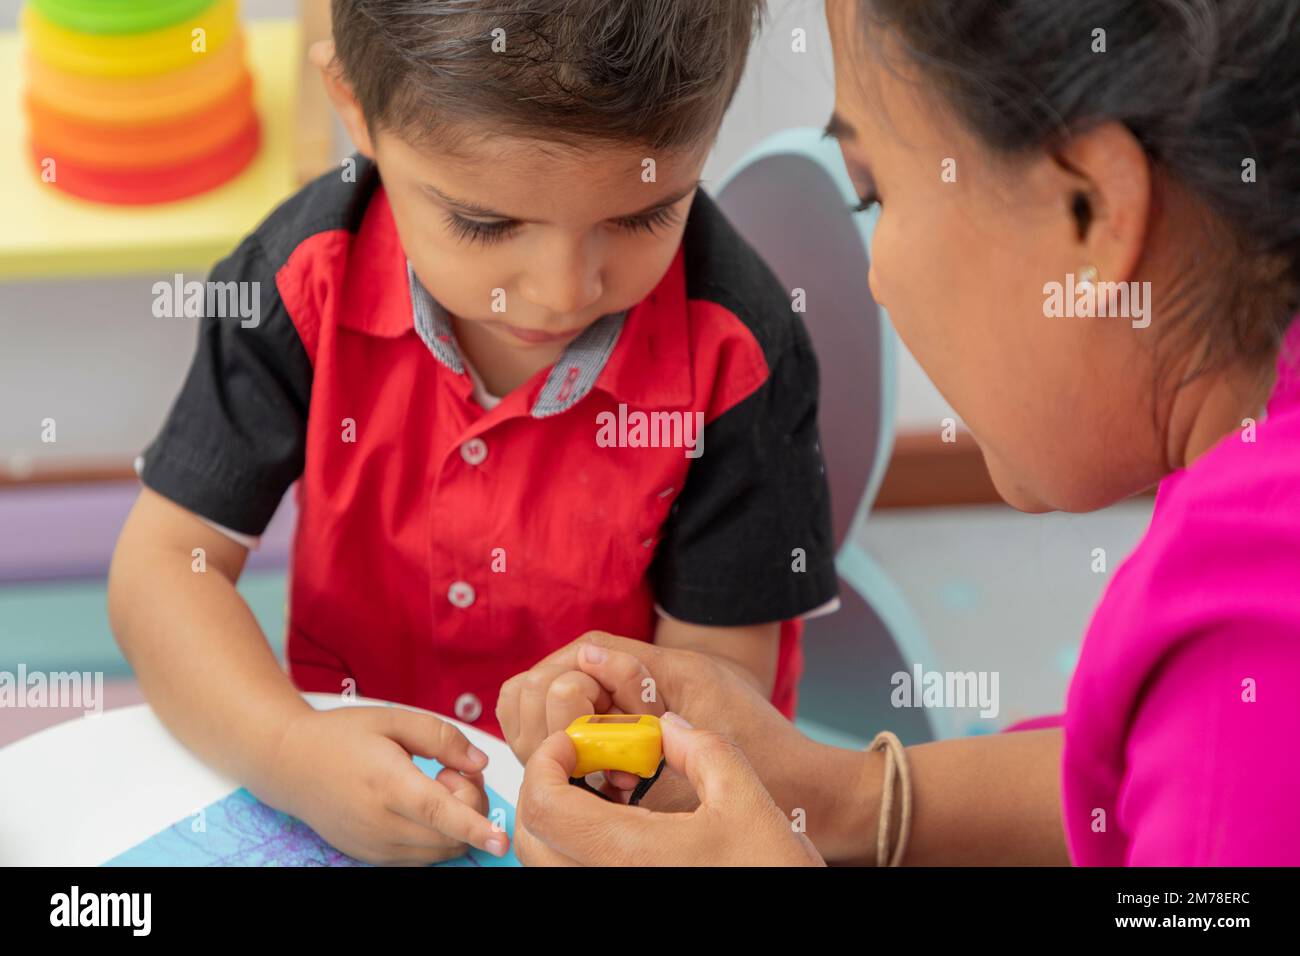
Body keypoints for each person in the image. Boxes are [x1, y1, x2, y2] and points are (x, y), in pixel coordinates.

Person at [508, 0, 1300, 866]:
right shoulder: (1254, 476)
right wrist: (839, 796)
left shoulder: (1248, 606)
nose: (876, 281)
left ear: (1089, 206)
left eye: (873, 191)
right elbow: (1147, 773)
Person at [107, 0, 839, 866]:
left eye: (642, 216)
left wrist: (623, 740)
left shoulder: (736, 353)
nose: (562, 291)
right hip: (343, 793)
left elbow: (724, 684)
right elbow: (163, 568)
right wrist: (288, 752)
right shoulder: (298, 282)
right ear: (357, 111)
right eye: (487, 224)